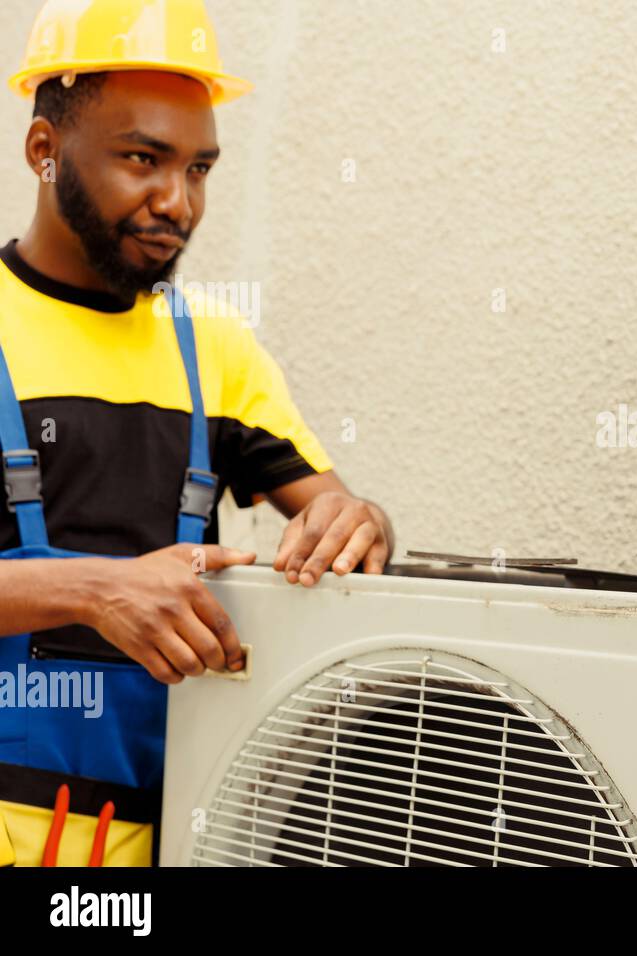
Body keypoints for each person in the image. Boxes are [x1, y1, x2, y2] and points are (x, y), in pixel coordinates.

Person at [0, 0, 394, 866]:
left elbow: (342, 521)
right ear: (44, 150)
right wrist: (90, 592)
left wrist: (360, 522)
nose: (176, 202)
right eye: (143, 159)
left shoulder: (214, 351)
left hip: (190, 831)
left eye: (200, 169)